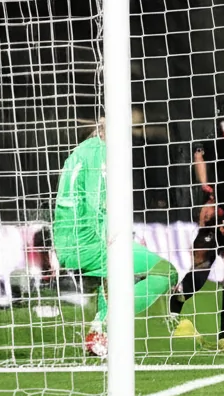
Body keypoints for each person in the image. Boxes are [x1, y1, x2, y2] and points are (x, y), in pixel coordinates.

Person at [52, 120, 180, 356]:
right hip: (88, 241)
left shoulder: (81, 152)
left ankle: (99, 333)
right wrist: (111, 238)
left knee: (111, 278)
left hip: (70, 239)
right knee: (166, 271)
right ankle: (107, 325)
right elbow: (93, 203)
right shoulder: (100, 153)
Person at [164, 100, 224, 355]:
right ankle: (172, 311)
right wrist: (209, 194)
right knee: (203, 265)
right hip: (219, 208)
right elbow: (199, 155)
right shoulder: (219, 135)